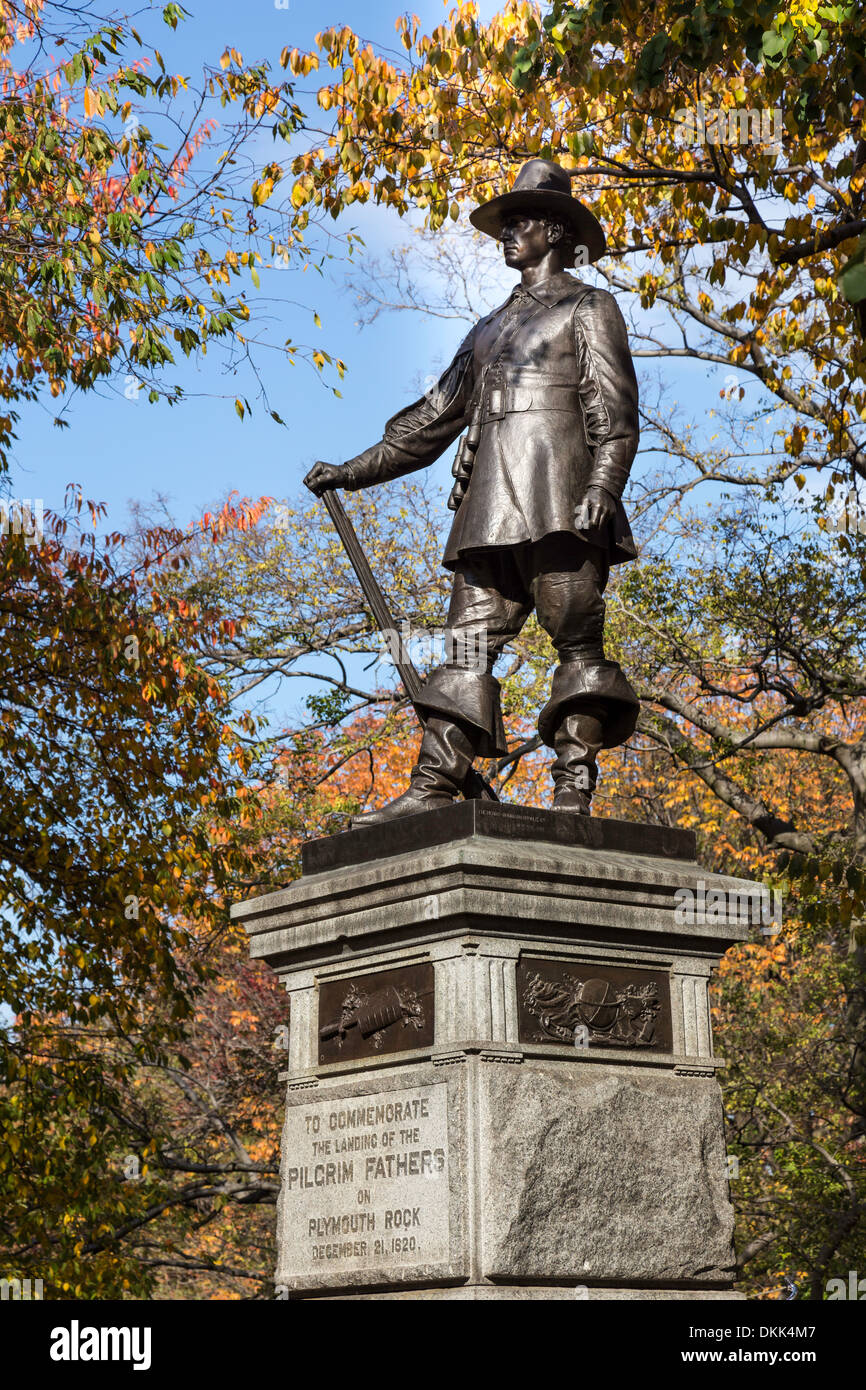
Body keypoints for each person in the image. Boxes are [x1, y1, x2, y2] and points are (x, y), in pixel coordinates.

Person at [305, 158, 641, 824]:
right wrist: (353, 469)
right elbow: (429, 420)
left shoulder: (589, 307)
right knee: (466, 641)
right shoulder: (486, 330)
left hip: (561, 503)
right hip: (489, 509)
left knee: (575, 634)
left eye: (520, 221)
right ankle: (435, 781)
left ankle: (573, 782)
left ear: (554, 229)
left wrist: (603, 484)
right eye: (506, 223)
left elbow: (616, 413)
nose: (508, 234)